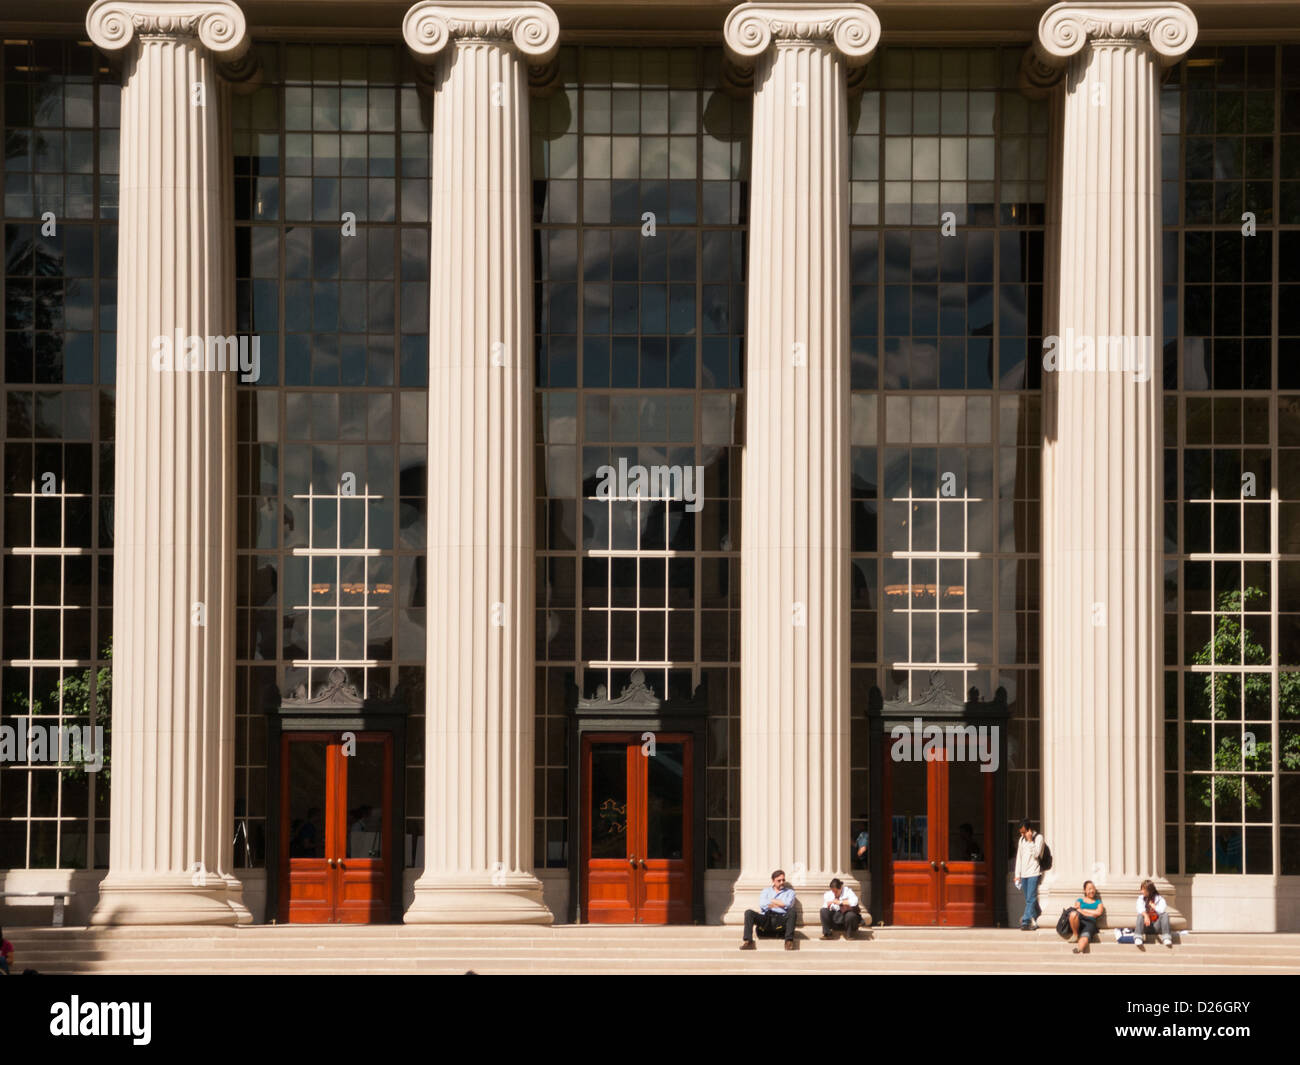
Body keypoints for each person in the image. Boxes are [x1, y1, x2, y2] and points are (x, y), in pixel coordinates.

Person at [740, 869, 797, 950]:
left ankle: (788, 941)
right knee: (749, 912)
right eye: (779, 880)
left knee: (792, 912)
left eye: (783, 880)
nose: (782, 882)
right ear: (773, 881)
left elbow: (788, 904)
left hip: (780, 919)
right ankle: (748, 942)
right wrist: (780, 904)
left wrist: (771, 900)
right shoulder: (766, 891)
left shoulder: (790, 892)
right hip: (766, 918)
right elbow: (763, 904)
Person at [1013, 818, 1044, 930]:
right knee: (1030, 899)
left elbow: (1036, 854)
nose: (1022, 834)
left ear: (1029, 829)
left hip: (1034, 872)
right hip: (1024, 874)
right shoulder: (1021, 840)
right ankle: (1039, 916)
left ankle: (1025, 921)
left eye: (1024, 832)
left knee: (1030, 898)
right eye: (1021, 832)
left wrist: (1031, 841)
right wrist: (1017, 875)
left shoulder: (1038, 838)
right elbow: (1019, 858)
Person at [1068, 880, 1104, 954]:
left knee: (1085, 936)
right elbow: (1076, 909)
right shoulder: (1079, 900)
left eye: (1093, 888)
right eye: (1089, 889)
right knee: (1073, 914)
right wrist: (1092, 913)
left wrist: (1083, 910)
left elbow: (1099, 912)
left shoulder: (1098, 902)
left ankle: (1079, 949)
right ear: (1084, 890)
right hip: (1079, 921)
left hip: (1090, 923)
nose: (1092, 891)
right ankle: (1075, 934)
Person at [1135, 879, 1172, 949]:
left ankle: (1166, 938)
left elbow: (1162, 910)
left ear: (1149, 890)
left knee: (1165, 914)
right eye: (1141, 889)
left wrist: (1154, 906)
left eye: (1143, 889)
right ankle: (1138, 937)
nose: (1141, 891)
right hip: (1145, 926)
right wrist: (1146, 915)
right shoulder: (1140, 898)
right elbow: (1139, 908)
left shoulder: (1160, 899)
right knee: (1140, 915)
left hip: (1156, 926)